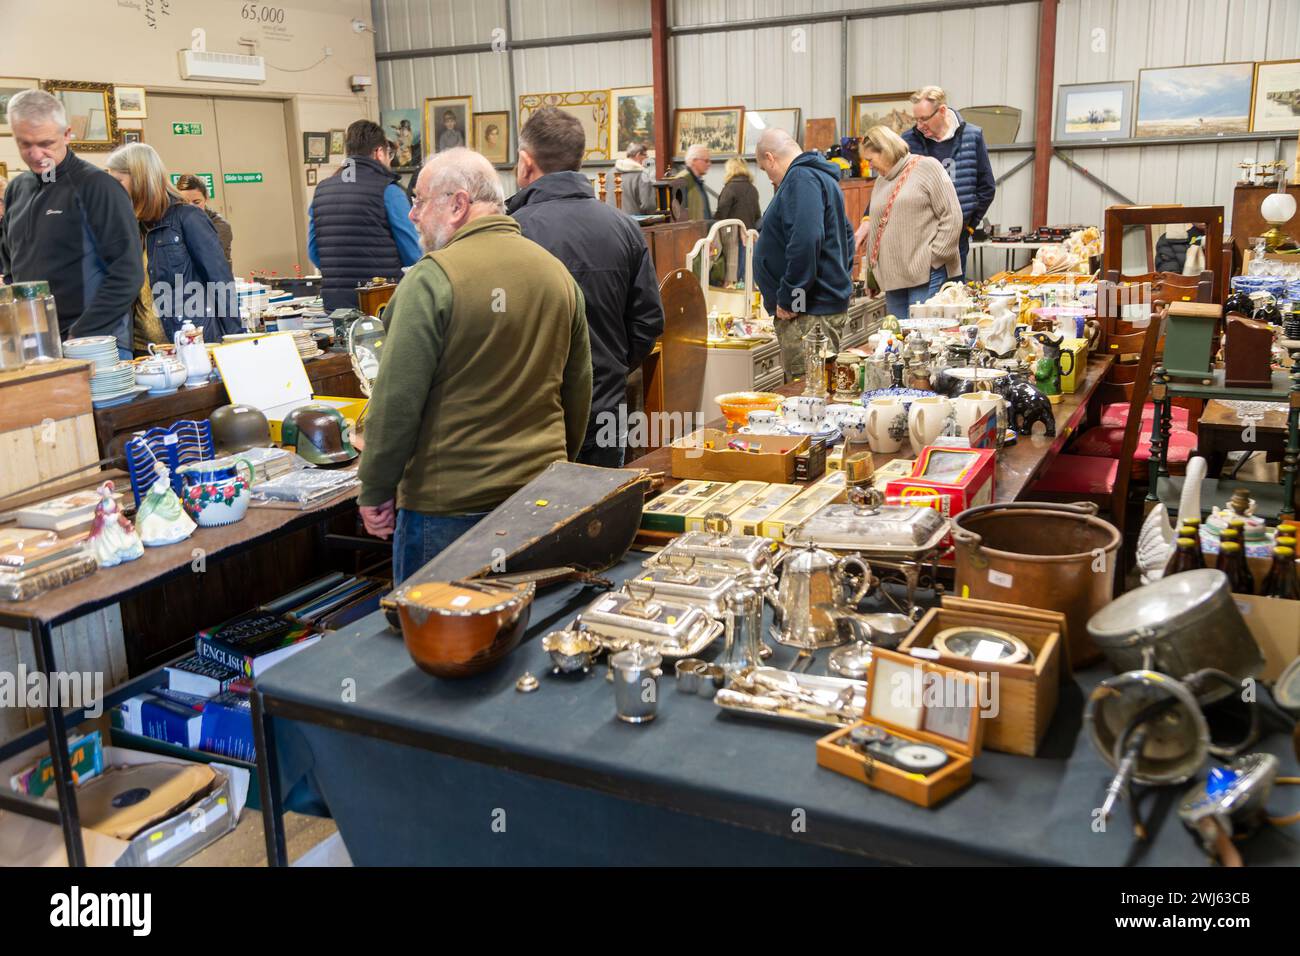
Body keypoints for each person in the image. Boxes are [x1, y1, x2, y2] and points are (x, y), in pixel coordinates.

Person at [358, 148, 593, 582]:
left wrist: (375, 488)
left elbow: (395, 405)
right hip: (540, 496)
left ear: (458, 204)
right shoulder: (555, 273)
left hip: (448, 510)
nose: (412, 216)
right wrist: (552, 464)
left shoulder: (430, 280)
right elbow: (578, 392)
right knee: (529, 633)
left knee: (440, 644)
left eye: (420, 201)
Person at [508, 107, 664, 468]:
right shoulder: (623, 227)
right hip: (606, 406)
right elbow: (648, 322)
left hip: (535, 418)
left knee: (540, 518)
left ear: (525, 162)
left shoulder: (512, 231)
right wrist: (611, 367)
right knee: (600, 515)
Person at [0, 89, 142, 360]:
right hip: (35, 345)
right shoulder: (16, 189)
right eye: (24, 144)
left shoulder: (98, 187)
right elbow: (11, 267)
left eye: (46, 143)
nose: (35, 154)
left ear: (67, 134)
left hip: (93, 343)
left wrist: (79, 335)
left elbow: (128, 273)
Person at [106, 143, 239, 344]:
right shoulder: (131, 224)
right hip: (143, 350)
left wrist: (235, 339)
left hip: (188, 345)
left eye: (118, 181)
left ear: (140, 178)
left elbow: (220, 281)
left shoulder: (188, 217)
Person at [752, 128, 854, 381]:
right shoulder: (821, 177)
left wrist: (791, 298)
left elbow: (806, 239)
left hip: (808, 314)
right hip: (817, 307)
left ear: (770, 157)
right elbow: (847, 235)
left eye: (765, 170)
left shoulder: (800, 179)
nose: (770, 180)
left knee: (808, 393)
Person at [308, 119, 422, 311]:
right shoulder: (388, 190)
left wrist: (340, 271)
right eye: (389, 154)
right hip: (382, 303)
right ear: (379, 153)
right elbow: (413, 254)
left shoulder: (322, 190)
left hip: (336, 306)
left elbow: (314, 252)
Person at [860, 125, 962, 321]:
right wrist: (872, 275)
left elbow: (952, 215)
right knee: (897, 341)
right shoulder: (881, 181)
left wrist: (935, 258)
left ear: (886, 150)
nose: (870, 166)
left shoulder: (929, 167)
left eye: (870, 160)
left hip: (926, 274)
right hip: (893, 279)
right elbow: (876, 228)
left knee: (922, 340)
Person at [901, 86, 995, 279]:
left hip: (956, 239)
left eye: (924, 119)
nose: (919, 125)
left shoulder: (972, 136)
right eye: (916, 119)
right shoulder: (908, 141)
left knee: (952, 295)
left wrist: (969, 226)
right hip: (918, 240)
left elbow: (986, 187)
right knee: (922, 301)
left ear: (942, 111)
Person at [174, 174, 233, 269]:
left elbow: (203, 255)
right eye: (184, 203)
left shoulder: (221, 226)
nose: (191, 208)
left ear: (206, 199)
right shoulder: (174, 224)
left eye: (196, 202)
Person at [614, 141, 656, 215]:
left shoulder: (610, 173)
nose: (647, 158)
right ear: (638, 155)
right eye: (646, 155)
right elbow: (648, 205)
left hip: (613, 220)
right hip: (635, 223)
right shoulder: (644, 175)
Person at [672, 144, 712, 220]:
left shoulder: (698, 181)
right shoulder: (682, 180)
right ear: (694, 161)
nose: (709, 164)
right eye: (706, 161)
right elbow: (679, 215)